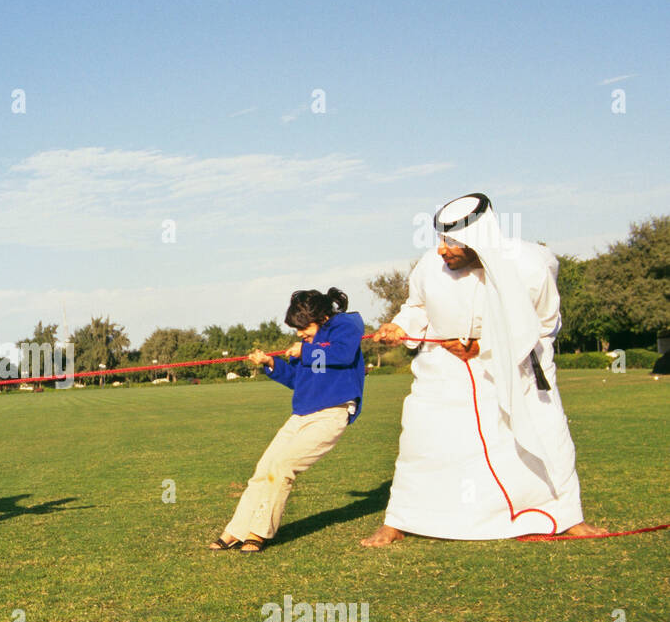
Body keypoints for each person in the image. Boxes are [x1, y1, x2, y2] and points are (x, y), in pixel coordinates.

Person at [361, 193, 605, 545]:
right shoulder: (430, 265)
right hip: (443, 371)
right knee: (422, 441)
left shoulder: (529, 265)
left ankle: (564, 517)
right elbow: (417, 307)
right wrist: (399, 327)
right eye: (441, 240)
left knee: (546, 435)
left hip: (513, 368)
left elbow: (545, 324)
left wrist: (486, 346)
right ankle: (401, 520)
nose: (443, 250)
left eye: (453, 242)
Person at [210, 288, 365, 553]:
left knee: (282, 467)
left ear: (322, 317)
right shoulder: (309, 344)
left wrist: (307, 349)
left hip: (331, 414)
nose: (299, 333)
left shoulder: (345, 325)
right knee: (264, 469)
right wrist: (271, 363)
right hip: (301, 415)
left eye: (303, 327)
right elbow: (296, 379)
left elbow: (343, 354)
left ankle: (259, 532)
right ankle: (237, 530)